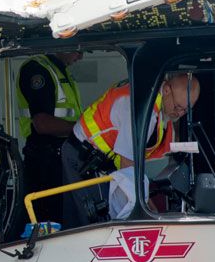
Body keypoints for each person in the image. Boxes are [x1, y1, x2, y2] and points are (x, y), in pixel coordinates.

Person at [61, 72, 201, 228]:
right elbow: (128, 166)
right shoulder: (142, 109)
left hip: (98, 160)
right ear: (167, 90)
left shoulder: (156, 97)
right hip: (82, 159)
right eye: (178, 107)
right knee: (91, 224)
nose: (180, 114)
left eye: (186, 111)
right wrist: (148, 208)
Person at [16, 51, 83, 223]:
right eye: (79, 51)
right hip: (45, 161)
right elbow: (42, 124)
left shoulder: (61, 71)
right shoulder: (37, 70)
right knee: (49, 222)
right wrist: (82, 131)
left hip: (62, 157)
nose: (80, 57)